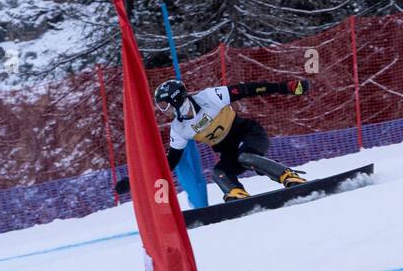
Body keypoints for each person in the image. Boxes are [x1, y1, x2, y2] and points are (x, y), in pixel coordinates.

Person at [116, 78, 311, 202]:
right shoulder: (179, 128)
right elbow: (169, 163)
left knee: (246, 157)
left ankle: (288, 176)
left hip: (249, 134)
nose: (164, 109)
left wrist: (285, 87)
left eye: (165, 103)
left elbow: (248, 89)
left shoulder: (209, 97)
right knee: (219, 172)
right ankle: (237, 195)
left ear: (175, 98)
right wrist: (135, 181)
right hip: (229, 151)